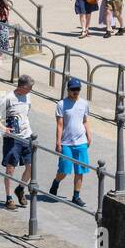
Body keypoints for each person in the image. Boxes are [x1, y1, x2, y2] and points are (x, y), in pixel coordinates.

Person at [0, 75, 35, 211]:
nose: (31, 90)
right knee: (10, 169)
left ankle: (20, 188)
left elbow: (26, 113)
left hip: (26, 137)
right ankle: (8, 198)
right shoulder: (9, 98)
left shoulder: (28, 97)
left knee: (30, 167)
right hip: (12, 138)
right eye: (30, 87)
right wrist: (2, 127)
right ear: (22, 87)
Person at [48, 77, 91, 206]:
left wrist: (89, 135)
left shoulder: (84, 104)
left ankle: (76, 196)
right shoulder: (61, 104)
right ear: (68, 90)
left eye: (77, 89)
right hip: (66, 142)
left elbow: (85, 120)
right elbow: (60, 125)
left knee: (80, 170)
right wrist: (58, 142)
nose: (75, 92)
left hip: (81, 142)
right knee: (64, 170)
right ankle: (56, 182)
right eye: (73, 89)